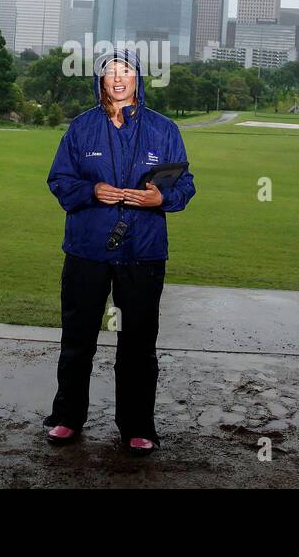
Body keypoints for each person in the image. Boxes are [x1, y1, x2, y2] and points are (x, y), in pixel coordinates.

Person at [42, 47, 196, 454]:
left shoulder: (164, 130)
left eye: (126, 70)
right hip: (87, 250)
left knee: (139, 345)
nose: (118, 78)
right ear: (100, 81)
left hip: (142, 253)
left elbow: (185, 186)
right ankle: (66, 417)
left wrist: (158, 199)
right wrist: (91, 190)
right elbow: (59, 180)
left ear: (138, 79)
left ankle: (137, 426)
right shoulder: (80, 128)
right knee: (77, 340)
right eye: (110, 72)